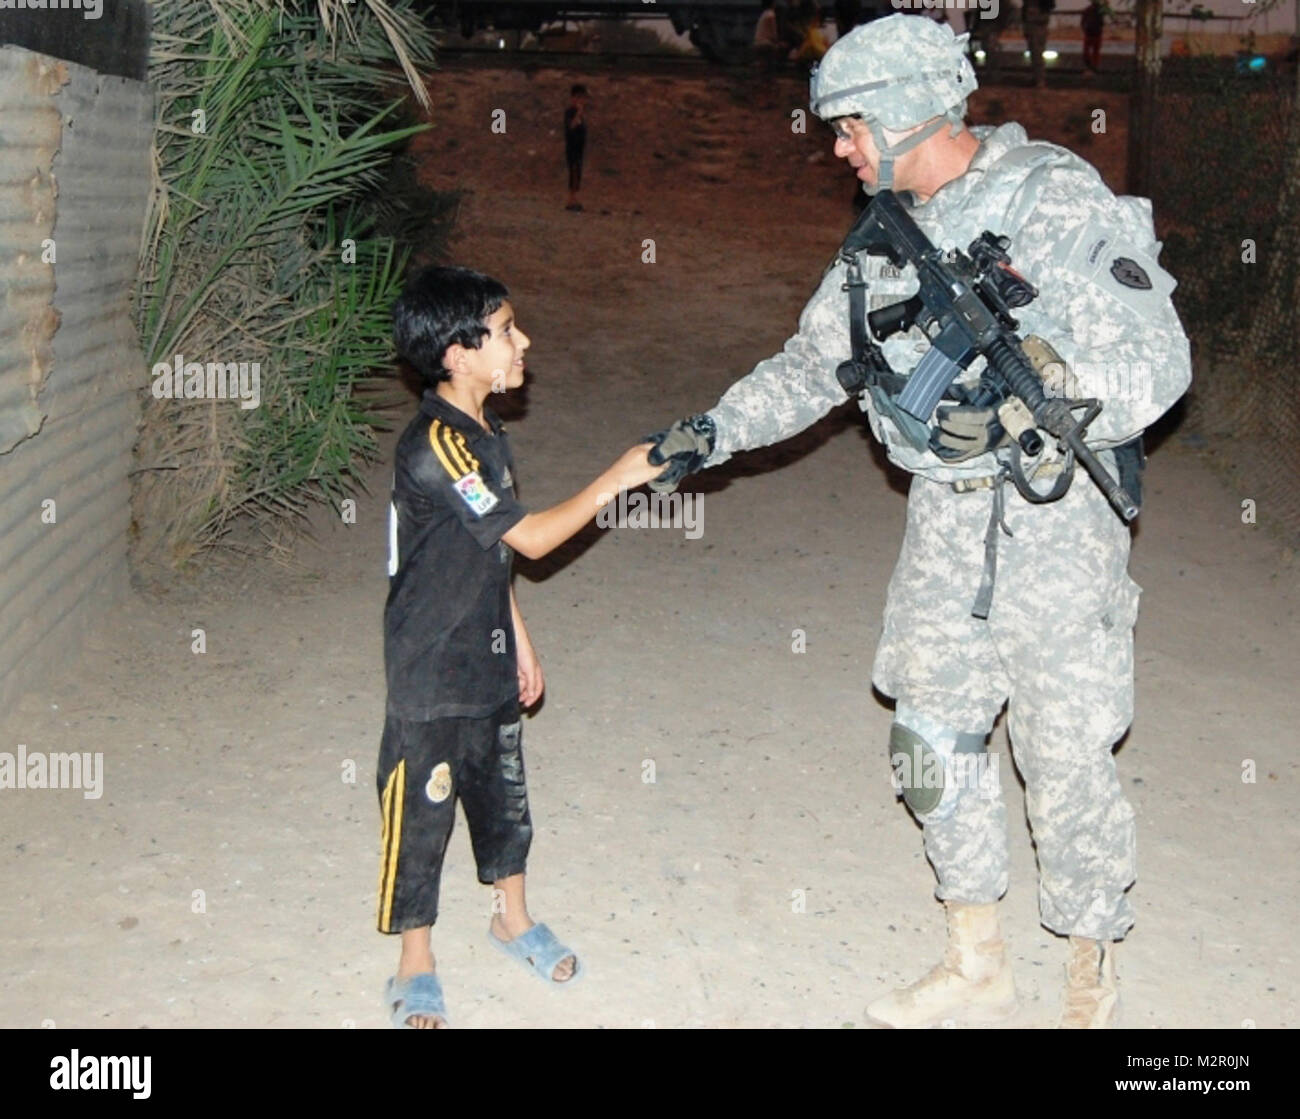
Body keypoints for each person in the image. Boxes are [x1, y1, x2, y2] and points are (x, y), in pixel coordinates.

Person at [647, 14, 1190, 1028]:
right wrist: (711, 431)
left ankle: (1087, 971)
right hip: (947, 527)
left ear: (902, 113)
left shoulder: (1054, 199)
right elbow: (816, 363)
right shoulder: (885, 229)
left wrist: (1049, 392)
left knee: (1065, 754)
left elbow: (1160, 361)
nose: (837, 147)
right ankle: (974, 958)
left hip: (1057, 525)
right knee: (927, 742)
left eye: (849, 126)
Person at [379, 266, 664, 1028]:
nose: (522, 340)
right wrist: (617, 478)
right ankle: (415, 960)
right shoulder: (437, 447)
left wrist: (520, 636)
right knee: (425, 809)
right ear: (457, 354)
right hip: (431, 664)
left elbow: (493, 550)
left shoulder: (483, 432)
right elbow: (533, 538)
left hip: (486, 646)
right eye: (505, 330)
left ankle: (511, 917)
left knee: (502, 791)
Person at [564, 84, 588, 212]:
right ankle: (571, 199)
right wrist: (578, 113)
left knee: (578, 173)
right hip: (572, 148)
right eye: (579, 98)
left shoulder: (581, 115)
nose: (581, 101)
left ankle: (575, 198)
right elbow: (571, 126)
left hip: (579, 148)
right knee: (573, 172)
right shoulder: (570, 112)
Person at [1022, 0, 1053, 88]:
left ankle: (1039, 79)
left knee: (1037, 53)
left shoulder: (1040, 7)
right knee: (1034, 54)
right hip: (1032, 26)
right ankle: (1037, 77)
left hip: (1037, 26)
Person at [1081, 1, 1104, 75]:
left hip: (1093, 33)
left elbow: (1083, 21)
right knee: (1092, 52)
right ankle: (1092, 67)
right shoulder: (1096, 10)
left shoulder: (1090, 10)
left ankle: (1092, 67)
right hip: (1092, 33)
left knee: (1092, 52)